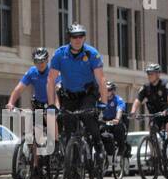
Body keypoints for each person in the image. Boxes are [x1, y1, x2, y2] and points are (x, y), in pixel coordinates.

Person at [47, 24, 108, 156]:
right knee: (68, 128)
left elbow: (101, 79)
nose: (78, 39)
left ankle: (98, 145)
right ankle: (73, 164)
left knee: (87, 116)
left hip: (88, 94)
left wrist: (103, 102)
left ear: (84, 38)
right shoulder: (59, 54)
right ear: (69, 38)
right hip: (69, 95)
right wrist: (51, 104)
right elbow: (51, 80)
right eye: (74, 36)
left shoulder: (92, 53)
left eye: (81, 36)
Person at [130, 64, 168, 153]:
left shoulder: (165, 84)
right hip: (156, 114)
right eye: (148, 73)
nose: (149, 75)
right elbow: (138, 100)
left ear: (158, 74)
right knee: (151, 130)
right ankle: (154, 155)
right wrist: (133, 111)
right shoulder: (146, 87)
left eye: (151, 73)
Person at [100, 81, 129, 162]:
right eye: (104, 90)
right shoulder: (101, 100)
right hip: (106, 121)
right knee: (101, 133)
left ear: (112, 91)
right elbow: (96, 109)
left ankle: (121, 149)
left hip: (116, 122)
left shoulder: (118, 99)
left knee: (118, 128)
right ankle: (107, 154)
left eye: (108, 90)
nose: (106, 92)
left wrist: (117, 119)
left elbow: (120, 109)